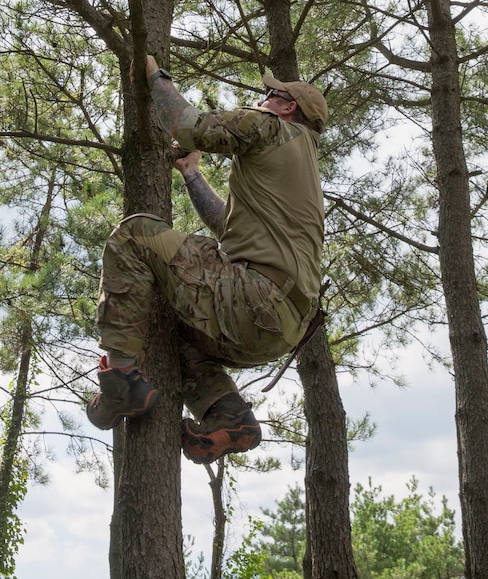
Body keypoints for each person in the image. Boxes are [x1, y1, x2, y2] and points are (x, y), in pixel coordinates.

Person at [86, 55, 328, 465]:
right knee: (171, 327)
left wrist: (153, 75)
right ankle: (227, 414)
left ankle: (121, 378)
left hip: (255, 299)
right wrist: (192, 174)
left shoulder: (271, 127)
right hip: (277, 327)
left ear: (289, 107)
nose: (262, 99)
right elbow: (226, 225)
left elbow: (187, 125)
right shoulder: (299, 166)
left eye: (270, 94)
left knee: (134, 233)